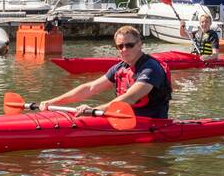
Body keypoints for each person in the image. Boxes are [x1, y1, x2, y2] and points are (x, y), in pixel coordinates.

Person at [39, 26, 172, 119]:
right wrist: (52, 102)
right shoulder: (120, 68)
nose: (124, 49)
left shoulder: (150, 69)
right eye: (120, 46)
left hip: (151, 124)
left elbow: (130, 98)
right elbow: (90, 88)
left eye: (129, 45)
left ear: (139, 44)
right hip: (123, 118)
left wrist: (94, 110)